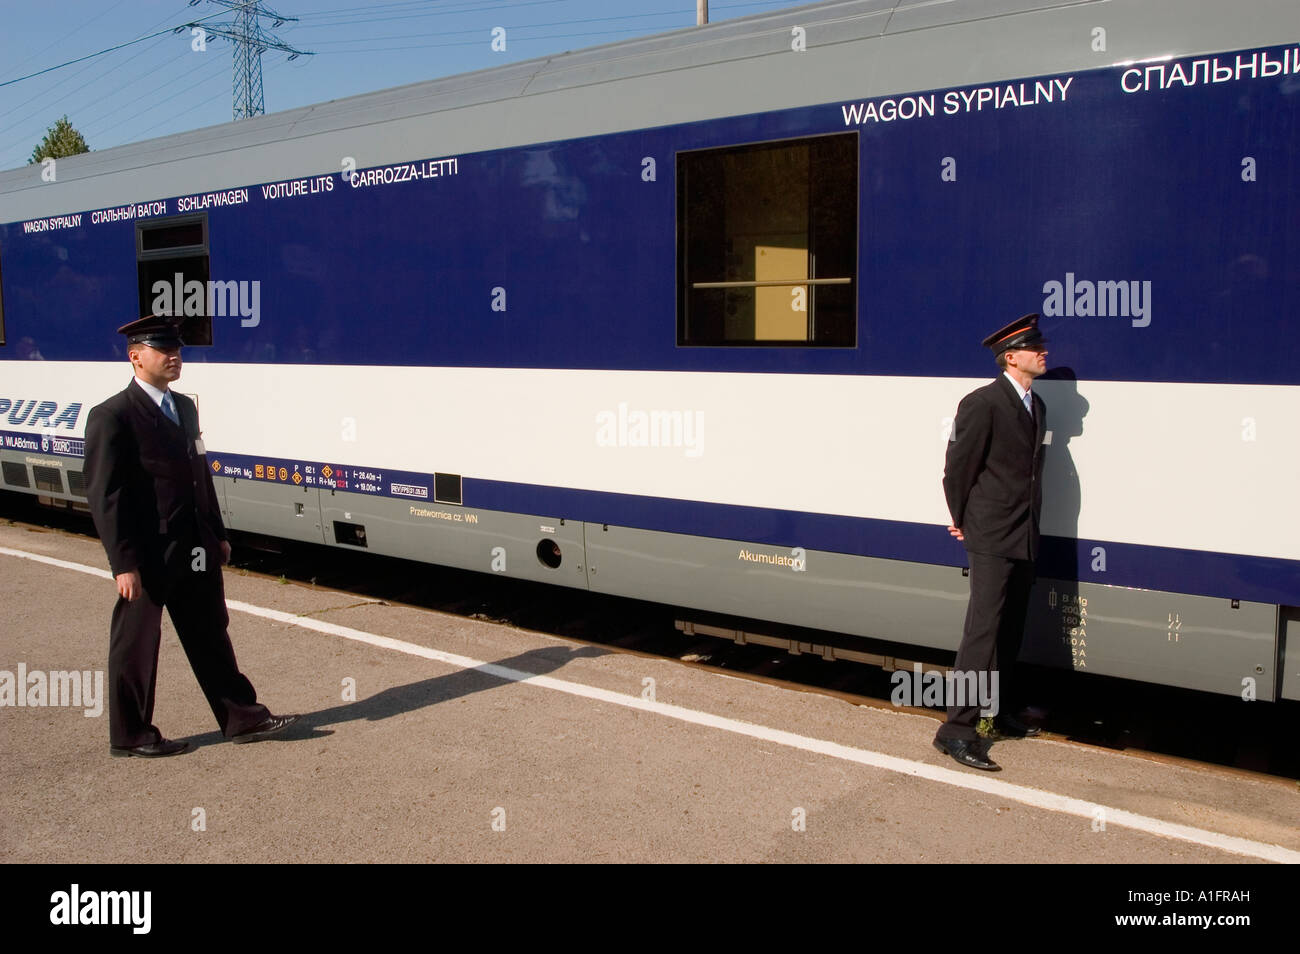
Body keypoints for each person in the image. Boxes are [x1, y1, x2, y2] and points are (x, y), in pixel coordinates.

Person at [84, 315, 298, 757]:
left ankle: (242, 718)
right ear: (136, 357)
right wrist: (123, 563)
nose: (174, 356)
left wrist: (217, 534)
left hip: (195, 546)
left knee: (210, 633)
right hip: (148, 554)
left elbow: (200, 473)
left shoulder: (183, 407)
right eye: (163, 350)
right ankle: (132, 735)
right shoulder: (112, 416)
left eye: (177, 349)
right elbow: (107, 496)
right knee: (136, 644)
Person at [933, 313, 1048, 771]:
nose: (1043, 351)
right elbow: (957, 467)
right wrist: (961, 518)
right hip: (991, 533)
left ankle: (995, 715)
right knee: (981, 633)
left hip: (1022, 534)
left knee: (1010, 629)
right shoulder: (981, 402)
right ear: (1011, 356)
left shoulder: (1036, 406)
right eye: (1034, 346)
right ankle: (955, 730)